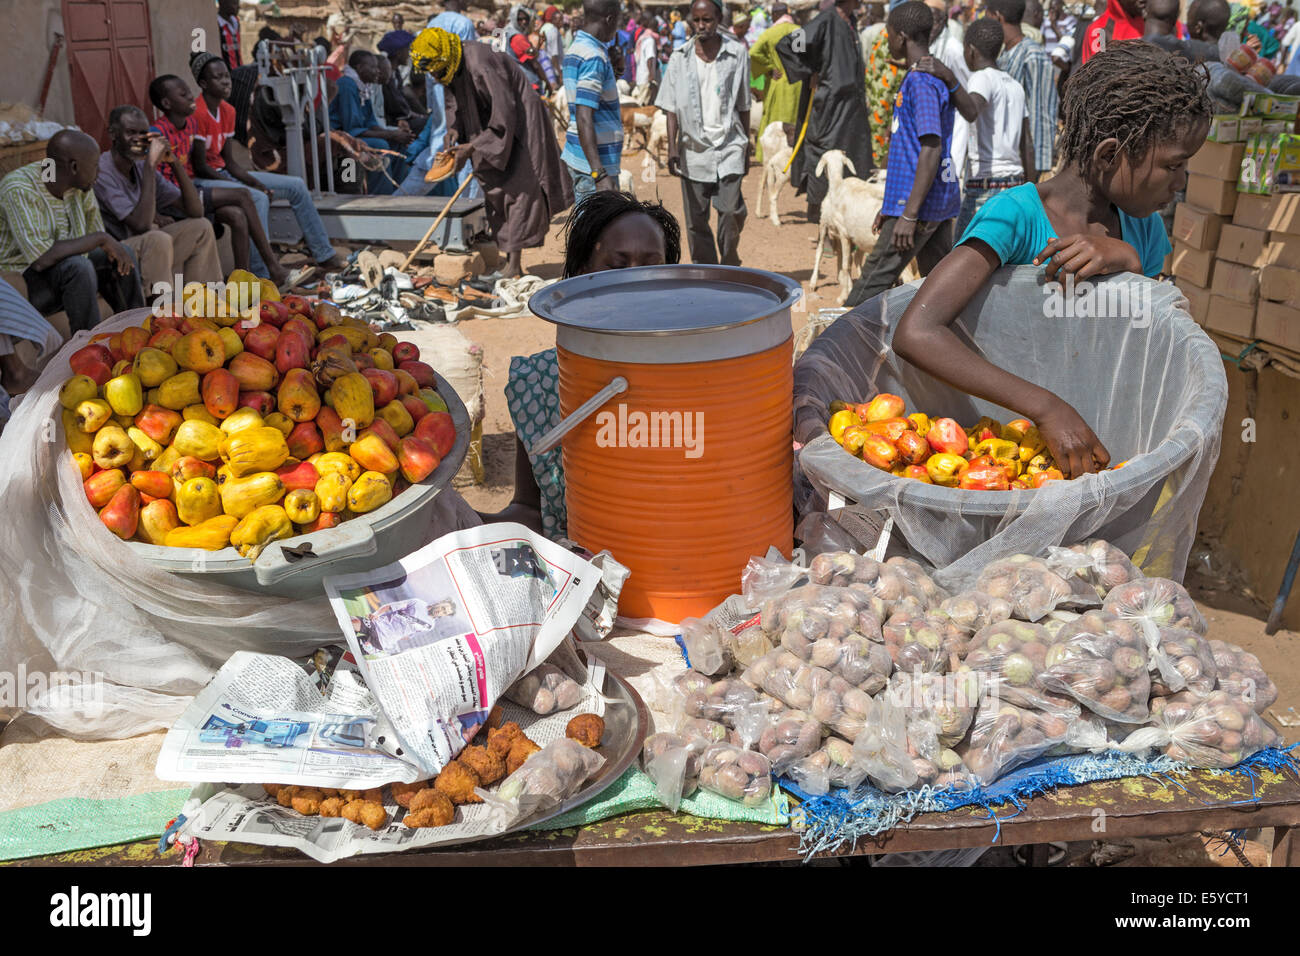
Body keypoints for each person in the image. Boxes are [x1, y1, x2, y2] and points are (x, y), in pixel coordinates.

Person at [884, 42, 1208, 479]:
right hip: (1003, 444)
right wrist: (1047, 408)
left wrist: (1130, 262)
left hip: (1103, 442)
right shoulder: (1016, 217)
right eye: (1174, 166)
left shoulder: (1142, 229)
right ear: (1109, 155)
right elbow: (917, 331)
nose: (1181, 184)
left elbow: (1148, 341)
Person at [494, 192, 683, 537]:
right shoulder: (540, 382)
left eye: (651, 265)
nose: (632, 279)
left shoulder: (703, 377)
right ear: (583, 273)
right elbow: (529, 510)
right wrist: (458, 519)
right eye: (616, 264)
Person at [409, 27, 574, 278]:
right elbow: (455, 105)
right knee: (494, 185)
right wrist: (454, 132)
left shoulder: (481, 62)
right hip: (488, 126)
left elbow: (505, 109)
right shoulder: (447, 68)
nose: (435, 76)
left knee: (518, 185)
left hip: (518, 123)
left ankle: (514, 265)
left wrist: (473, 146)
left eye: (436, 71)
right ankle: (507, 258)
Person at [843, 1, 963, 308]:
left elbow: (931, 148)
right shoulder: (924, 76)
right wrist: (891, 203)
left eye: (888, 34)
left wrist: (907, 214)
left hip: (917, 209)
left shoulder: (921, 82)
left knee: (866, 290)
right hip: (927, 204)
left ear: (901, 36)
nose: (887, 41)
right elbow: (910, 149)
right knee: (941, 287)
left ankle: (834, 352)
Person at [189, 53, 347, 284]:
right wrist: (243, 187)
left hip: (223, 174)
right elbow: (201, 166)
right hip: (203, 180)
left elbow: (230, 162)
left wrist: (257, 183)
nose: (226, 82)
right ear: (204, 84)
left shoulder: (228, 111)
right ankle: (261, 272)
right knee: (257, 199)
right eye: (218, 78)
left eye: (227, 76)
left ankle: (323, 254)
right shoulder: (199, 113)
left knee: (296, 186)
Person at [0, 130, 143, 336]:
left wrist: (105, 242)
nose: (99, 172)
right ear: (74, 167)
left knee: (123, 254)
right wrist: (101, 238)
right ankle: (88, 344)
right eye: (95, 166)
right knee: (78, 267)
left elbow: (98, 243)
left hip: (65, 268)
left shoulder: (80, 185)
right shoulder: (20, 189)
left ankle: (137, 331)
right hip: (22, 280)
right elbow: (41, 259)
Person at [148, 74, 281, 284]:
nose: (191, 97)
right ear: (166, 103)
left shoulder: (190, 124)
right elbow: (147, 176)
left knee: (237, 215)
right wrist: (154, 213)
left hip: (188, 191)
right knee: (244, 195)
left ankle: (242, 282)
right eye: (183, 94)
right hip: (172, 199)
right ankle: (274, 268)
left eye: (189, 92)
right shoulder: (157, 133)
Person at [657, 0, 752, 266]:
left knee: (732, 211)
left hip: (730, 145)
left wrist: (746, 147)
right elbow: (671, 108)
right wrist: (672, 148)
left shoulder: (737, 54)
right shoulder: (680, 57)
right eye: (696, 20)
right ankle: (708, 273)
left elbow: (744, 104)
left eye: (707, 20)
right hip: (693, 150)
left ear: (719, 18)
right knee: (696, 222)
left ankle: (729, 261)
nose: (701, 26)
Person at [94, 105, 223, 293]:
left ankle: (202, 303)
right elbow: (141, 226)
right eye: (131, 133)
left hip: (149, 248)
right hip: (117, 253)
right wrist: (150, 165)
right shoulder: (103, 171)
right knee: (157, 238)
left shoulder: (140, 167)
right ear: (113, 134)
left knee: (201, 226)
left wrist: (174, 161)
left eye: (143, 134)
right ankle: (161, 313)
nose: (138, 140)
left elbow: (196, 210)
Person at [777, 0, 875, 220]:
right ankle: (821, 219)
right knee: (825, 157)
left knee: (852, 157)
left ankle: (845, 217)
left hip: (851, 108)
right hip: (830, 108)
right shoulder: (824, 20)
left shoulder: (849, 20)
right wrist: (809, 71)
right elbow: (789, 45)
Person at [954, 18, 1034, 235]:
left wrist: (948, 80)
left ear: (970, 50)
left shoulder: (981, 78)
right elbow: (1027, 144)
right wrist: (1032, 190)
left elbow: (970, 110)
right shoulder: (1014, 85)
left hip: (986, 186)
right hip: (1016, 184)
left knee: (963, 252)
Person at [987, 0, 1057, 178]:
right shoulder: (1004, 53)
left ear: (997, 17)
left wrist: (1035, 173)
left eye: (987, 17)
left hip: (1026, 167)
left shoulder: (1032, 55)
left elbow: (1041, 115)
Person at [561, 0, 623, 200]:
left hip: (580, 157)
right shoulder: (594, 56)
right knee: (597, 229)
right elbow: (584, 116)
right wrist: (599, 174)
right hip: (595, 166)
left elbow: (592, 99)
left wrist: (614, 71)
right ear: (609, 19)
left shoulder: (577, 48)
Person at [328, 49, 413, 193]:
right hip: (340, 136)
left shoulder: (363, 87)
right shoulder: (347, 85)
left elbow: (370, 122)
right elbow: (351, 128)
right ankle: (380, 193)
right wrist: (390, 135)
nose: (377, 71)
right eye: (373, 67)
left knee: (399, 144)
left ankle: (397, 191)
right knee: (380, 145)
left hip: (354, 133)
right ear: (360, 68)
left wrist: (395, 134)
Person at [748, 3, 802, 161]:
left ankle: (772, 156)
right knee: (796, 118)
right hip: (798, 83)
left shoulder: (769, 33)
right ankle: (796, 155)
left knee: (774, 122)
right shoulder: (799, 31)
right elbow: (805, 57)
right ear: (787, 13)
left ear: (774, 16)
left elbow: (753, 53)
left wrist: (769, 68)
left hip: (778, 82)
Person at [217, 0, 243, 71]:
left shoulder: (236, 22)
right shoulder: (217, 24)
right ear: (222, 2)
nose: (238, 7)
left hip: (239, 70)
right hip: (227, 72)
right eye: (234, 3)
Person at [540, 5, 566, 70]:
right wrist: (560, 74)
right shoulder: (553, 30)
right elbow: (554, 55)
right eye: (560, 20)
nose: (563, 23)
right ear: (553, 20)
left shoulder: (544, 27)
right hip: (555, 68)